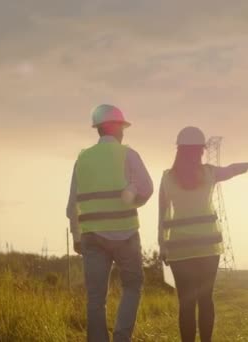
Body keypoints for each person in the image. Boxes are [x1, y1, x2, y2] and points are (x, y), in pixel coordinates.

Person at [157, 126, 248, 342]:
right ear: (200, 150)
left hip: (179, 249)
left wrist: (162, 245)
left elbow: (163, 214)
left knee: (186, 303)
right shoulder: (209, 173)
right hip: (207, 247)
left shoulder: (167, 178)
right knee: (205, 299)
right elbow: (231, 169)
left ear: (179, 150)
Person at [66, 104, 153, 342]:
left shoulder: (82, 158)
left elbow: (72, 204)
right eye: (122, 127)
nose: (124, 132)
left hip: (91, 236)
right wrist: (134, 198)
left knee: (95, 298)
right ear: (117, 128)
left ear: (98, 129)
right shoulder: (128, 154)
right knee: (132, 287)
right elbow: (147, 188)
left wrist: (76, 237)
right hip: (125, 234)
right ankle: (121, 338)